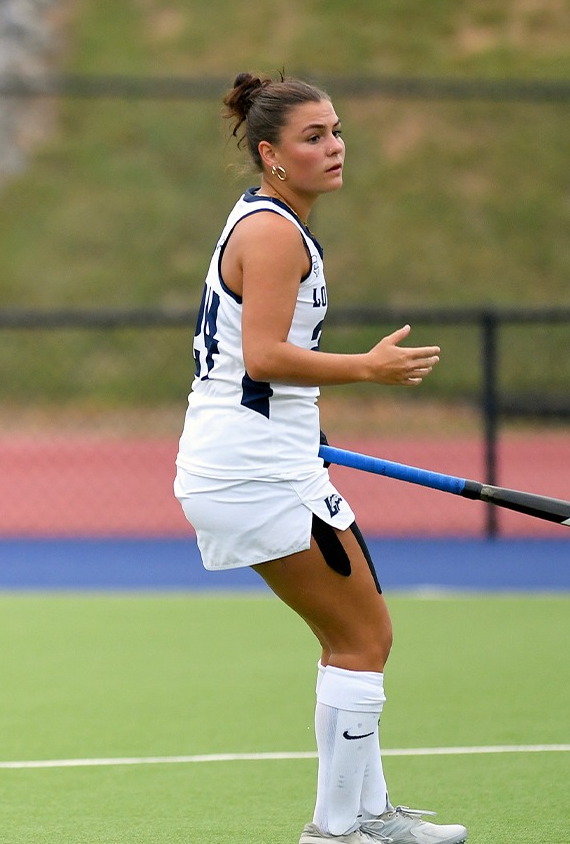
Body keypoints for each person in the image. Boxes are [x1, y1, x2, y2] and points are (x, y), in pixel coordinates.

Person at [175, 73, 462, 844]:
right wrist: (366, 369)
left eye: (335, 131)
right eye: (313, 137)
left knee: (357, 640)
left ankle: (368, 815)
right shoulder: (271, 233)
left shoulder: (272, 223)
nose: (334, 147)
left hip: (268, 457)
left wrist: (304, 428)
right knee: (363, 640)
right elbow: (265, 356)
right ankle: (336, 832)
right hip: (254, 468)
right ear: (270, 154)